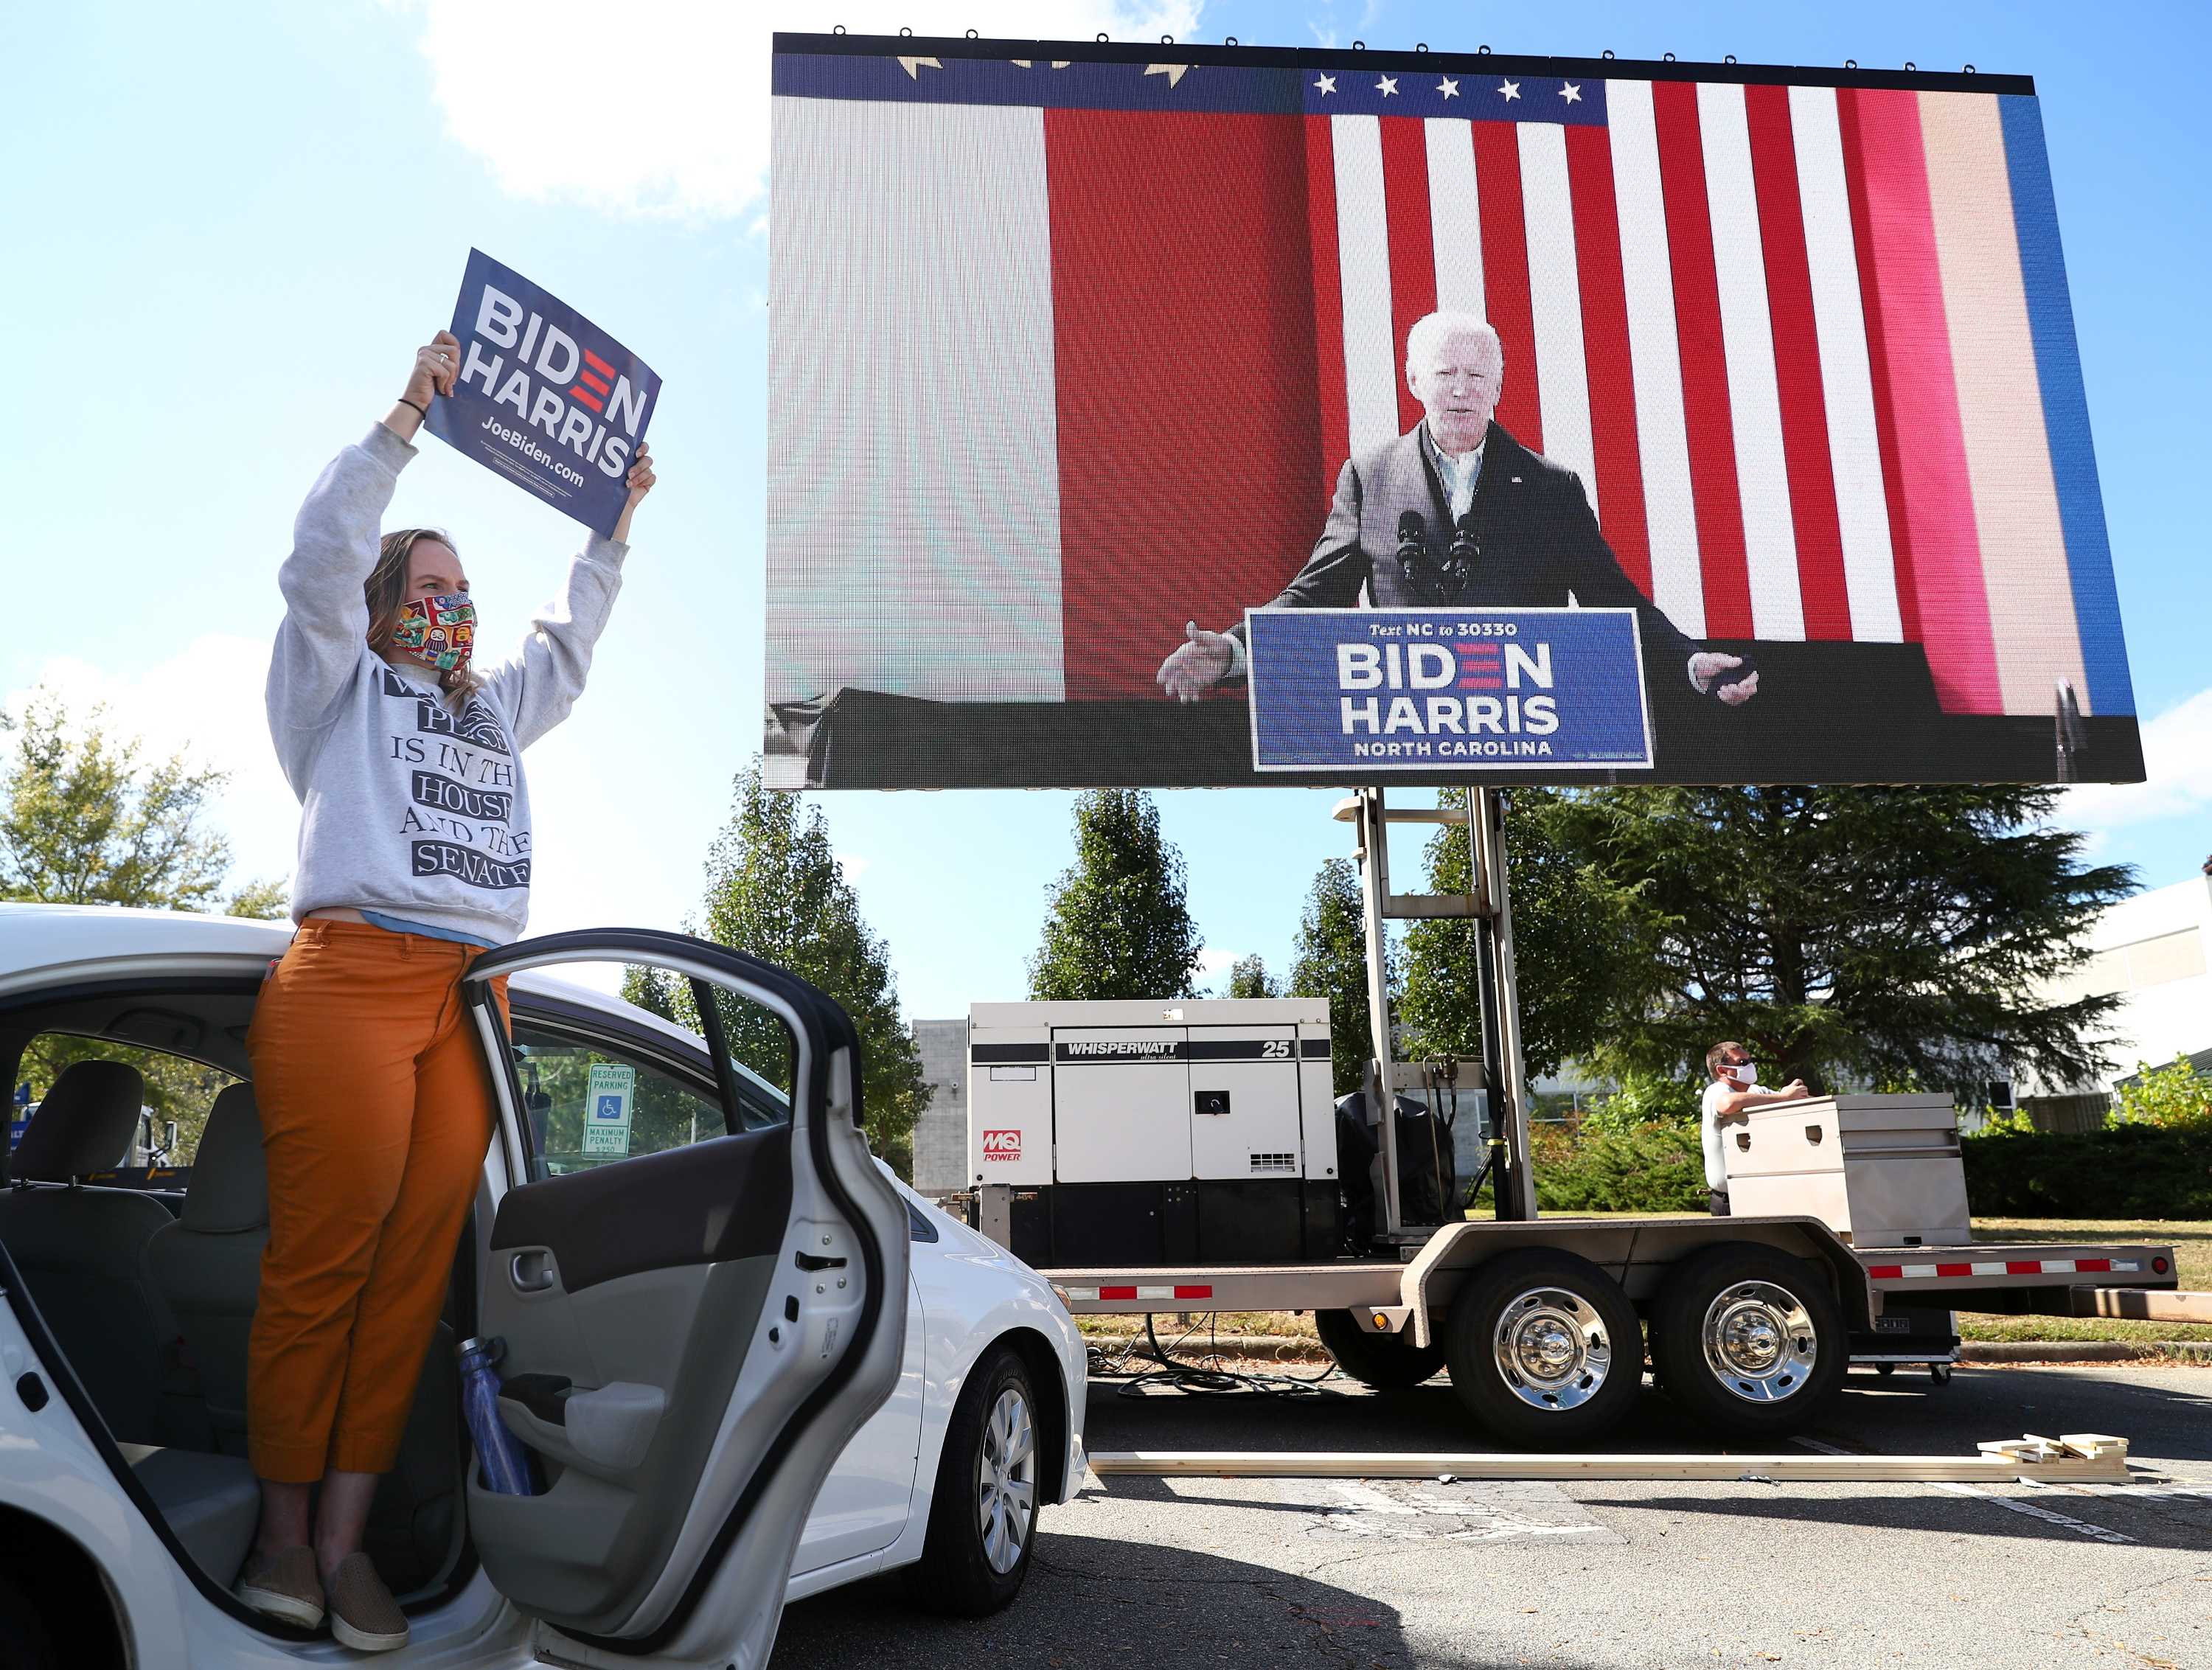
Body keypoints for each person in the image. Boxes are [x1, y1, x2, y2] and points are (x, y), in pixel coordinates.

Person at [233, 329, 655, 1652]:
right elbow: (312, 557)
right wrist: (408, 412)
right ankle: (283, 1537)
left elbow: (569, 656)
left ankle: (351, 1549)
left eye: (465, 589)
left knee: (413, 1278)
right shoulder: (335, 684)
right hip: (351, 980)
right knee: (326, 1267)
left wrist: (616, 530)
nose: (456, 606)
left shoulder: (489, 707)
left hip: (476, 1003)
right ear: (380, 604)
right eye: (432, 584)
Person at [1156, 311, 1761, 717]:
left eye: (1477, 376)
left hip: (1527, 733)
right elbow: (1314, 598)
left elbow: (1612, 595)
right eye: (1445, 374)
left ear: (1499, 384)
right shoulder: (1369, 478)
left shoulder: (1552, 488)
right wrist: (1237, 653)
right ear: (1415, 380)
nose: (1461, 391)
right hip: (1409, 730)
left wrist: (1685, 657)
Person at [1700, 1041, 1809, 1217]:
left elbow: (1792, 1099)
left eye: (1749, 1060)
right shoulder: (1716, 1091)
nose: (1750, 1065)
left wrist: (1796, 1094)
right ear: (1722, 1070)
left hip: (1759, 1197)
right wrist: (1784, 1097)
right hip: (1730, 1202)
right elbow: (1728, 1104)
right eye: (1742, 1063)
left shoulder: (1757, 1091)